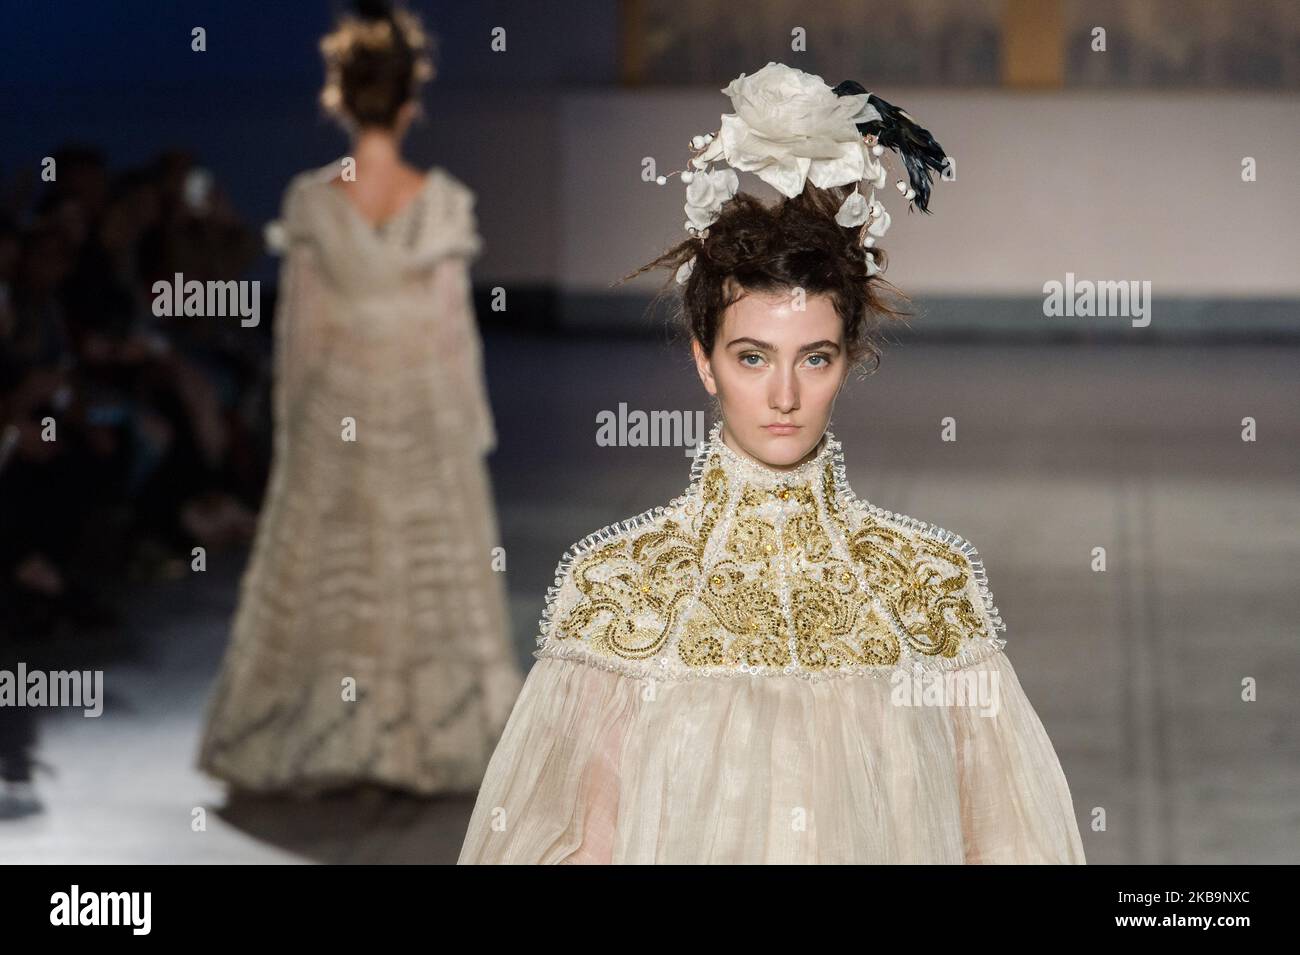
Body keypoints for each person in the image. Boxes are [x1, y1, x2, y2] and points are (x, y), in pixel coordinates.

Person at [458, 62, 1086, 863]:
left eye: (814, 358)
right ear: (703, 361)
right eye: (753, 357)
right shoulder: (618, 590)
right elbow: (575, 844)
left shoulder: (929, 586)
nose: (784, 393)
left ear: (849, 362)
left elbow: (999, 844)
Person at [196, 0, 521, 797]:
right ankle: (423, 743)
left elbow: (298, 332)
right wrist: (469, 432)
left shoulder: (313, 200)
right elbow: (452, 334)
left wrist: (291, 426)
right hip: (419, 404)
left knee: (329, 571)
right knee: (419, 566)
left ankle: (322, 740)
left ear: (339, 96)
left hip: (335, 404)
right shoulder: (440, 201)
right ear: (412, 100)